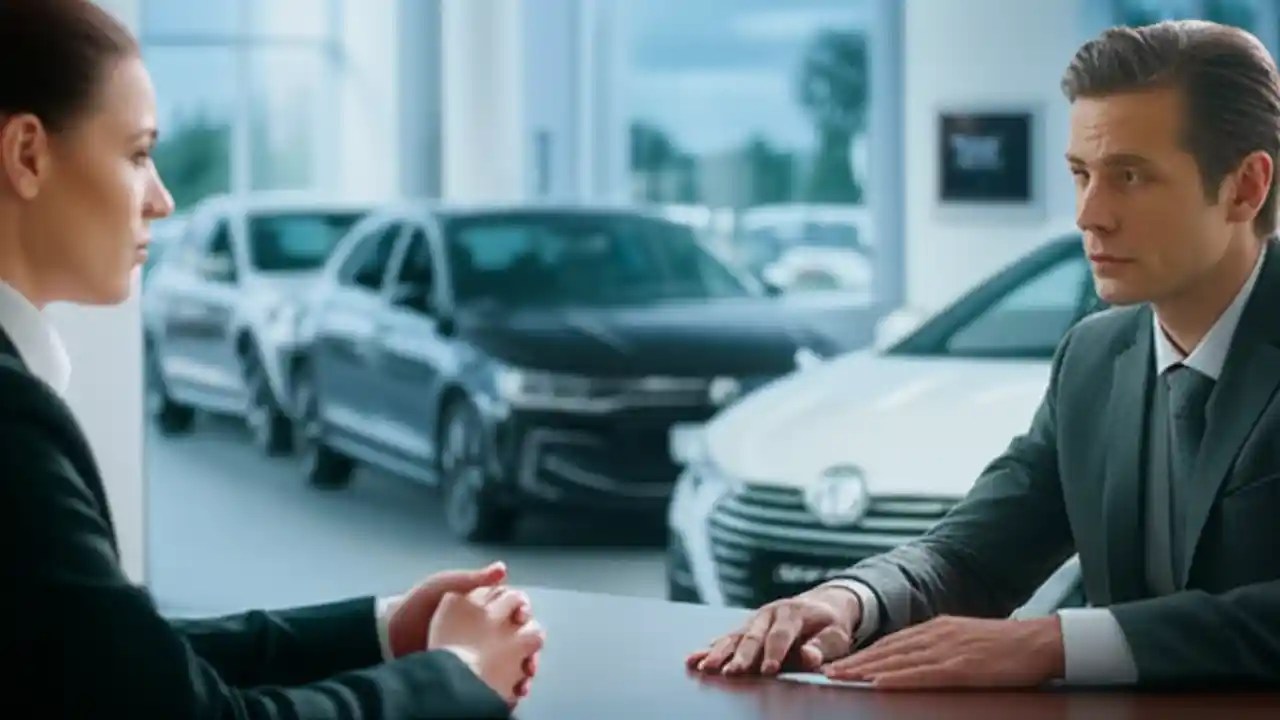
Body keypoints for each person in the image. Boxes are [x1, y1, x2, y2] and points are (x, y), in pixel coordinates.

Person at [689, 19, 1280, 689]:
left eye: (1131, 176)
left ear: (1245, 187)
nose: (1090, 214)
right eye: (1082, 174)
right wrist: (850, 600)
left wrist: (1054, 644)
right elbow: (975, 552)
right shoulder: (1094, 358)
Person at [1, 0, 542, 716]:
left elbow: (115, 659)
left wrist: (383, 632)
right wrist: (458, 676)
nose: (162, 198)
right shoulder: (12, 423)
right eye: (137, 153)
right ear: (28, 154)